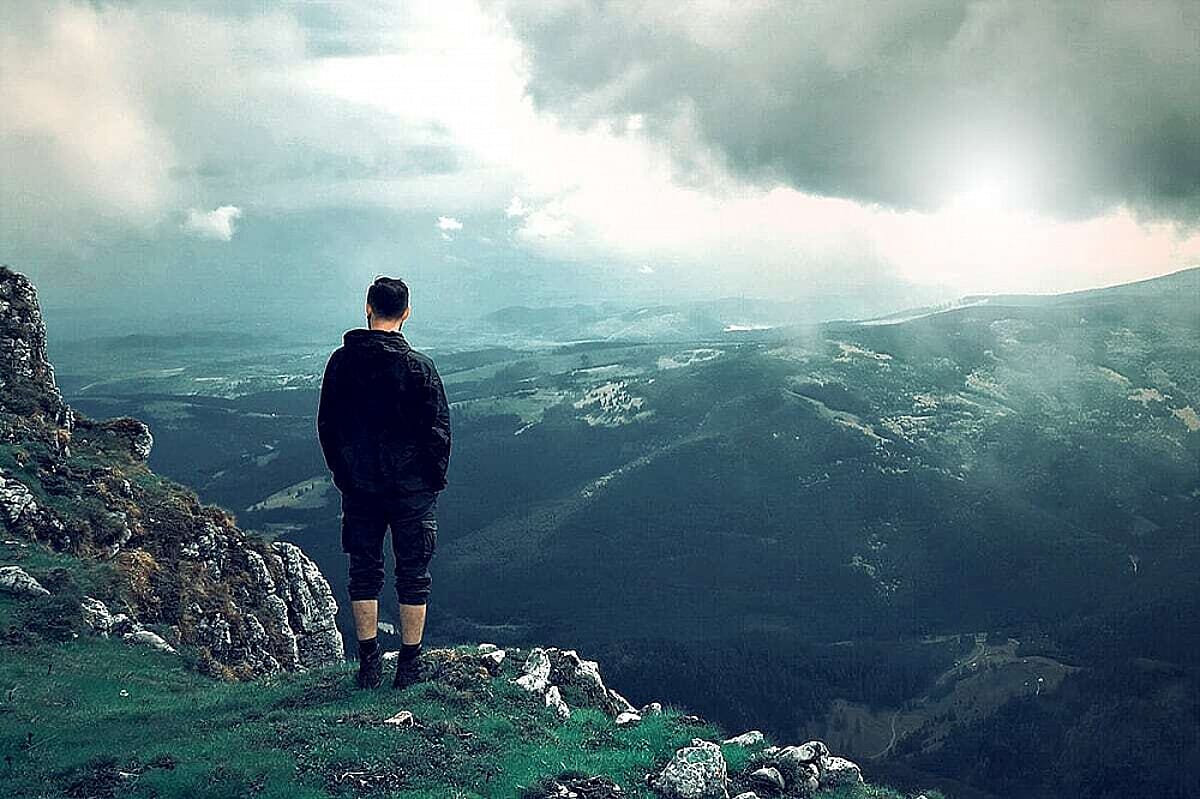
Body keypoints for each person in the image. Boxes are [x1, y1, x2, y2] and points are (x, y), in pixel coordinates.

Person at [316, 276, 451, 689]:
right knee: (414, 573)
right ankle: (409, 666)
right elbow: (439, 432)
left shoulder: (340, 363)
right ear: (406, 313)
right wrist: (431, 481)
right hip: (412, 490)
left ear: (368, 308)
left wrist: (345, 475)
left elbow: (328, 427)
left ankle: (369, 662)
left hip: (360, 488)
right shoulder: (419, 367)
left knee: (364, 571)